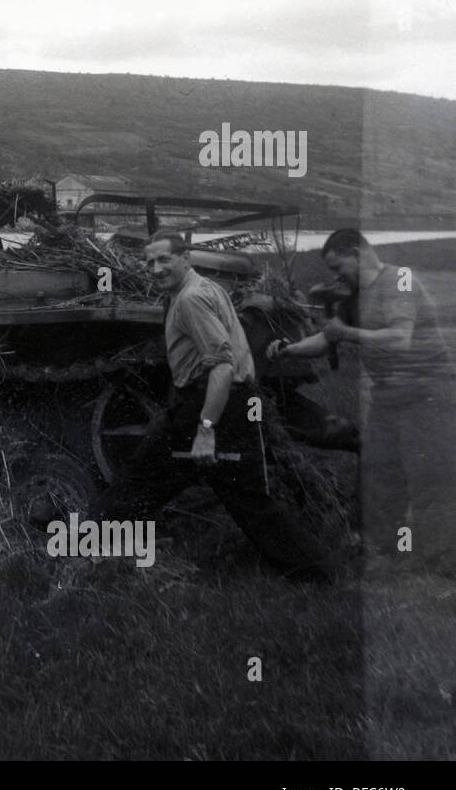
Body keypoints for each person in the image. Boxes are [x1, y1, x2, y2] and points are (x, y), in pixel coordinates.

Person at [92, 230, 332, 575]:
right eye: (149, 262)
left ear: (185, 258)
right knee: (250, 502)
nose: (156, 268)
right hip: (224, 403)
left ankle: (90, 555)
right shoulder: (203, 288)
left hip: (212, 406)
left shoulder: (190, 299)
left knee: (138, 485)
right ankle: (320, 571)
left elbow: (222, 364)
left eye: (164, 259)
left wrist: (206, 429)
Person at [267, 228, 456, 573]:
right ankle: (388, 551)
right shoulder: (354, 294)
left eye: (339, 267)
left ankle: (444, 563)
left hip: (426, 391)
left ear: (357, 252)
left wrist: (347, 333)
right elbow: (327, 339)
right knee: (380, 472)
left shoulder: (399, 280)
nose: (336, 276)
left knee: (429, 477)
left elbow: (400, 338)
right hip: (388, 396)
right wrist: (288, 349)